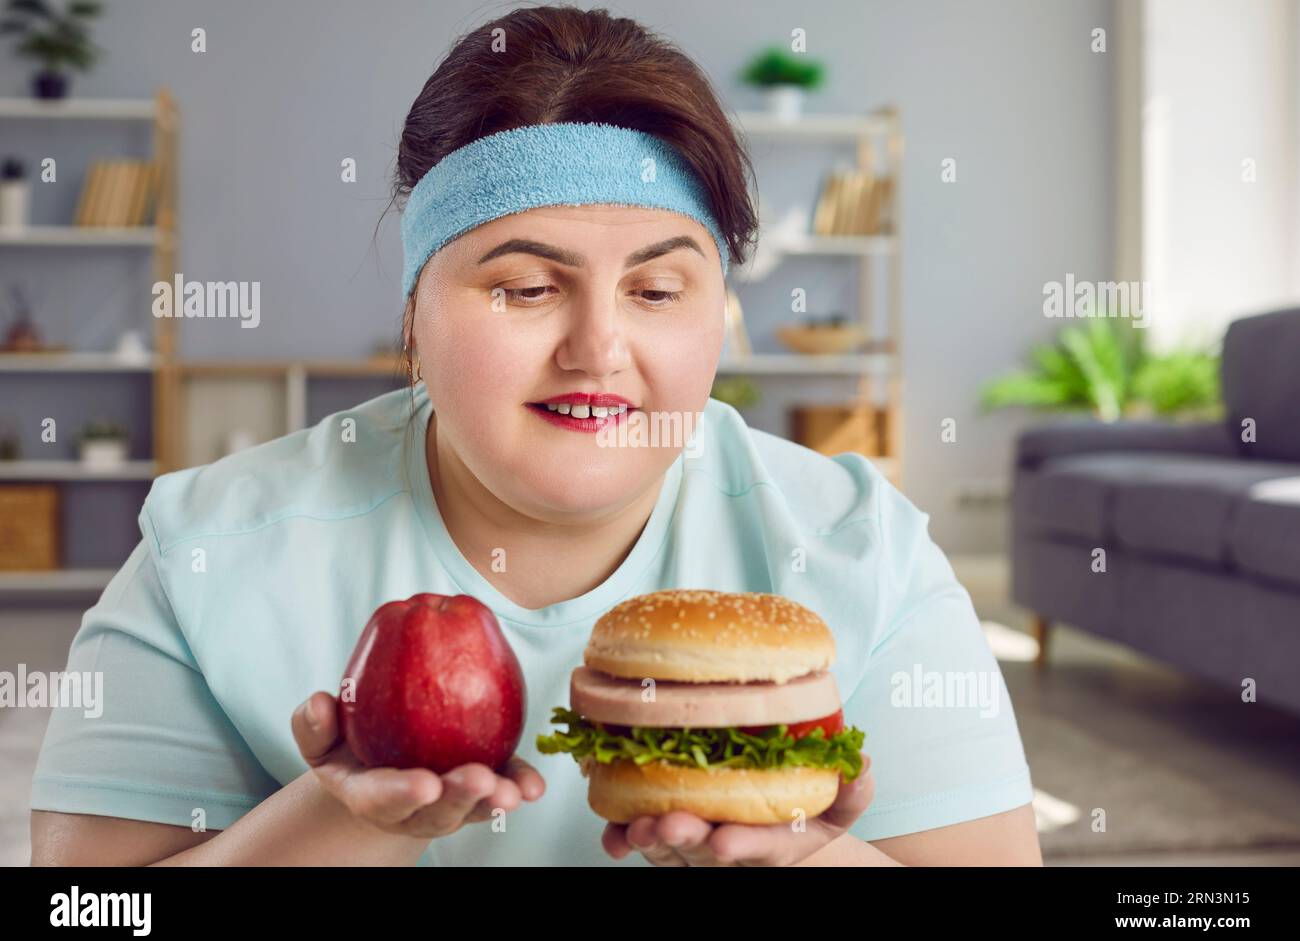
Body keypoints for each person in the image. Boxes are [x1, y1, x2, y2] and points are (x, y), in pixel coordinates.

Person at [29, 5, 1040, 867]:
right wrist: (337, 820)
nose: (598, 348)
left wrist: (808, 854)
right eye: (524, 287)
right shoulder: (210, 549)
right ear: (414, 321)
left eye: (655, 289)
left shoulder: (861, 551)